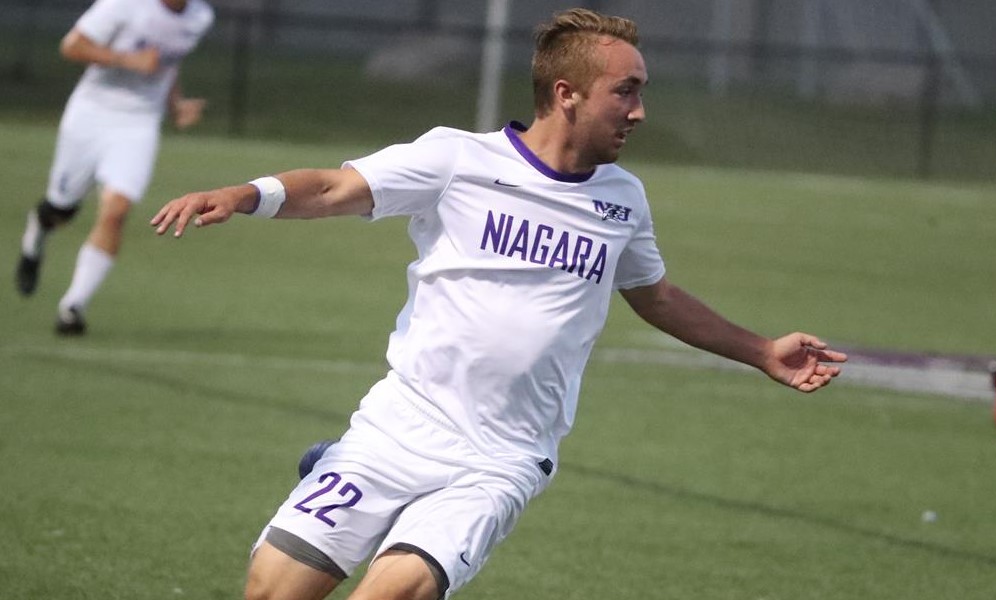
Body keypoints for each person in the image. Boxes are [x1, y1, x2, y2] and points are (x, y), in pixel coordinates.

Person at [151, 8, 848, 600]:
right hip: (398, 429)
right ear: (568, 93)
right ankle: (339, 463)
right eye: (626, 91)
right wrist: (244, 195)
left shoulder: (622, 200)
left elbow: (656, 296)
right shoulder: (457, 160)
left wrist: (761, 352)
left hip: (500, 459)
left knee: (394, 593)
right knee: (271, 589)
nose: (639, 110)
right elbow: (334, 188)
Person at [15, 0, 214, 335]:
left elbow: (167, 63)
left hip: (139, 124)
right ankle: (36, 234)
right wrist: (128, 60)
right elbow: (72, 45)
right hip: (91, 115)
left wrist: (175, 104)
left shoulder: (200, 17)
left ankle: (73, 307)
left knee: (116, 211)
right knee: (60, 210)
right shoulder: (124, 5)